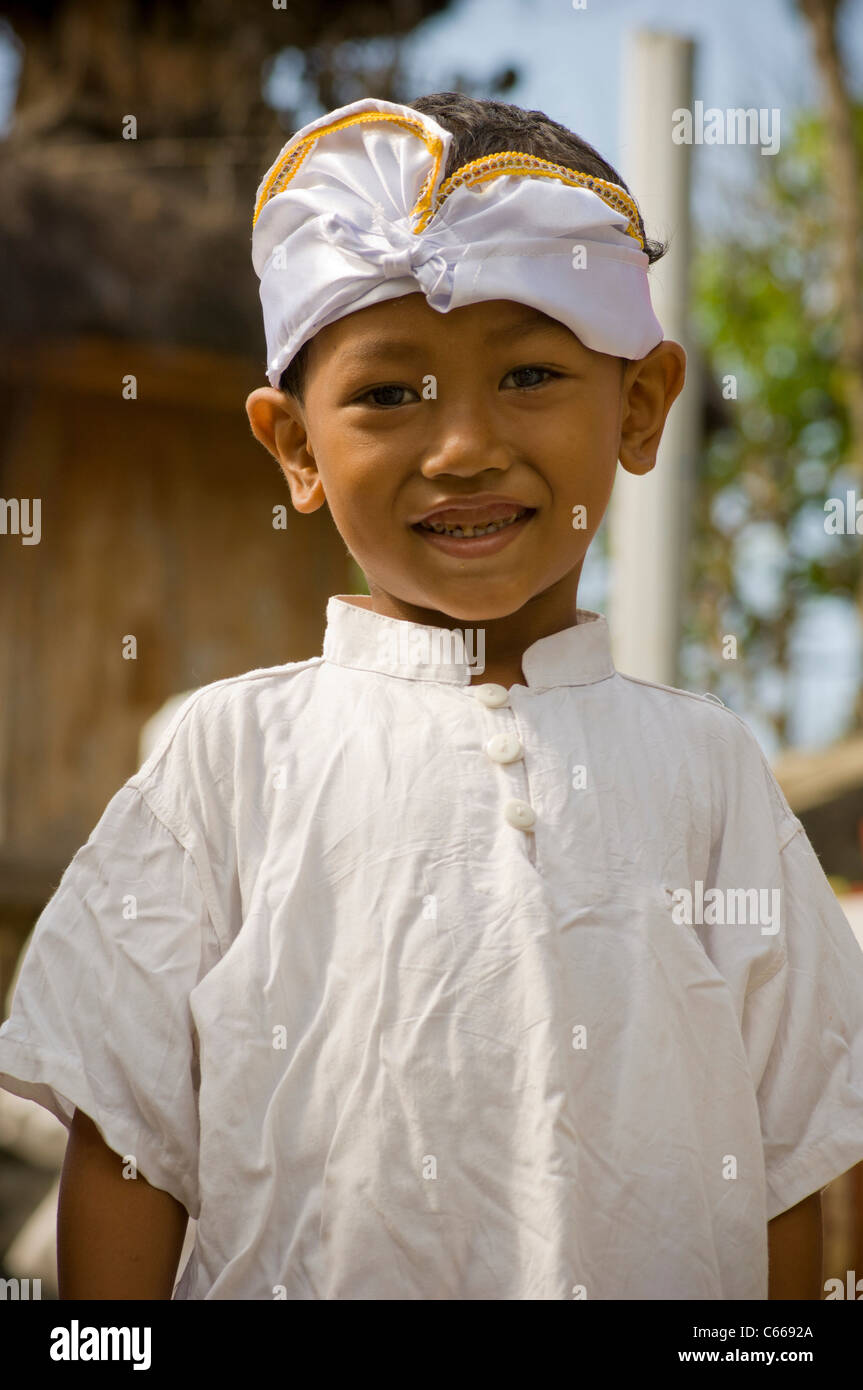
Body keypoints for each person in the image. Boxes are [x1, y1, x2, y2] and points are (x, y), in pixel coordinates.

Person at [1, 92, 862, 1301]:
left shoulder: (708, 773)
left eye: (527, 373)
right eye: (387, 394)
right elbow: (132, 1142)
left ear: (638, 405)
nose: (460, 444)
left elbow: (782, 1161)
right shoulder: (227, 758)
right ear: (294, 447)